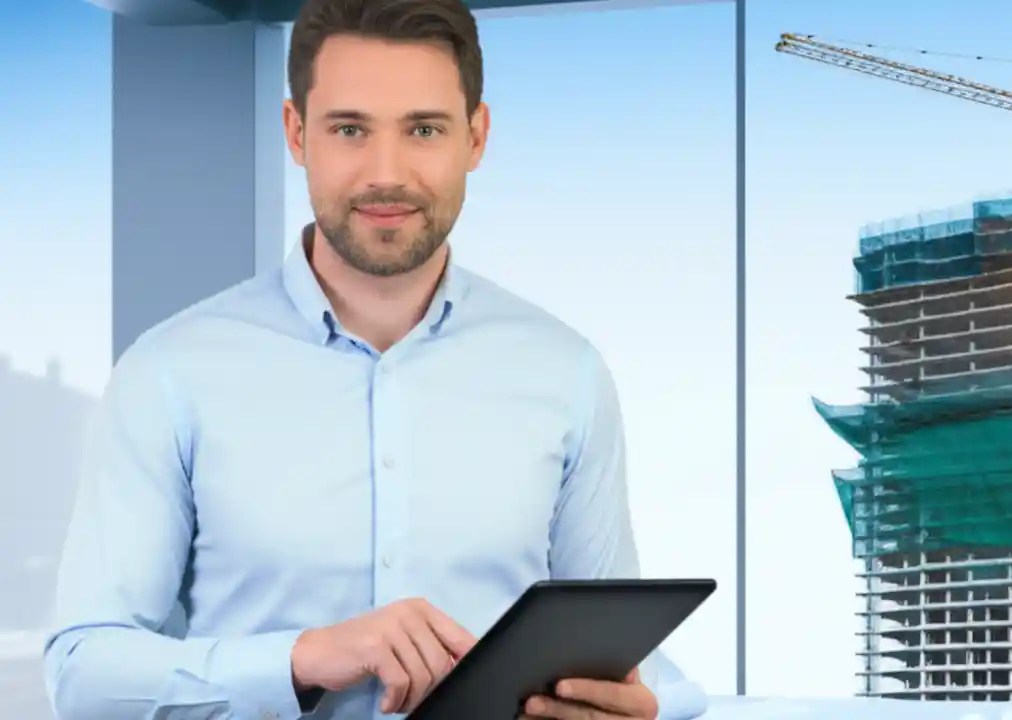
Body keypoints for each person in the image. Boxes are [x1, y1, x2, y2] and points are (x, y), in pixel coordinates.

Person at [41, 0, 708, 718]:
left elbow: (625, 661)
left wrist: (644, 709)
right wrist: (302, 658)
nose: (386, 174)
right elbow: (84, 674)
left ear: (476, 136)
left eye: (423, 129)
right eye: (350, 129)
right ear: (297, 133)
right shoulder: (168, 375)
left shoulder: (567, 375)